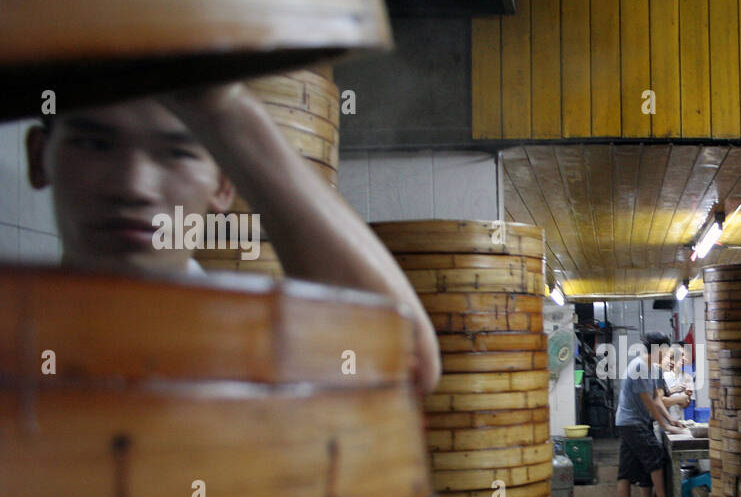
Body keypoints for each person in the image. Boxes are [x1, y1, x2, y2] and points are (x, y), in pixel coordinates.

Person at [24, 83, 440, 391]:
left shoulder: (260, 341)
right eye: (96, 144)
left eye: (177, 153)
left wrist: (227, 107)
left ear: (224, 186)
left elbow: (408, 361)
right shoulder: (17, 338)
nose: (134, 186)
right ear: (39, 157)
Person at [615, 331, 688, 497]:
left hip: (635, 422)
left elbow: (657, 398)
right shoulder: (639, 367)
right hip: (631, 423)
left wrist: (671, 419)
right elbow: (648, 403)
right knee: (656, 455)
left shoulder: (654, 370)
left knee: (626, 471)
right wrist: (665, 426)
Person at [659, 342, 694, 424]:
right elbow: (660, 401)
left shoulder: (687, 377)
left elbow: (686, 403)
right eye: (681, 355)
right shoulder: (661, 374)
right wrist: (680, 398)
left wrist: (685, 396)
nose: (684, 358)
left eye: (685, 355)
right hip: (661, 422)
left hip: (678, 421)